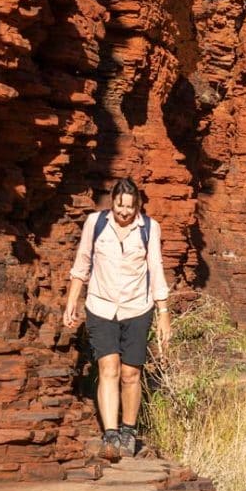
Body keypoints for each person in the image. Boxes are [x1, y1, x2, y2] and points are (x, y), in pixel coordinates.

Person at [63, 178, 170, 457]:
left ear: (138, 206)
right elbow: (82, 263)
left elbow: (156, 269)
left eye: (130, 208)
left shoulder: (149, 229)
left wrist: (163, 314)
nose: (124, 213)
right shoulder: (95, 224)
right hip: (101, 306)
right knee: (108, 367)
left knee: (131, 373)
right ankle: (110, 436)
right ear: (113, 202)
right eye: (120, 206)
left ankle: (128, 431)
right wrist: (72, 302)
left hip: (137, 308)